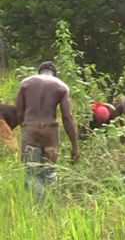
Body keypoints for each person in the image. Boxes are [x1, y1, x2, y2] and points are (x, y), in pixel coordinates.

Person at [16, 62, 79, 197]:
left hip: (30, 127)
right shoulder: (61, 86)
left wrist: (26, 128)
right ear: (54, 73)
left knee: (30, 171)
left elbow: (19, 113)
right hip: (50, 131)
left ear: (39, 71)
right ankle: (47, 204)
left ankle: (36, 204)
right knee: (49, 172)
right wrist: (74, 145)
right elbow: (67, 116)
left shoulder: (26, 83)